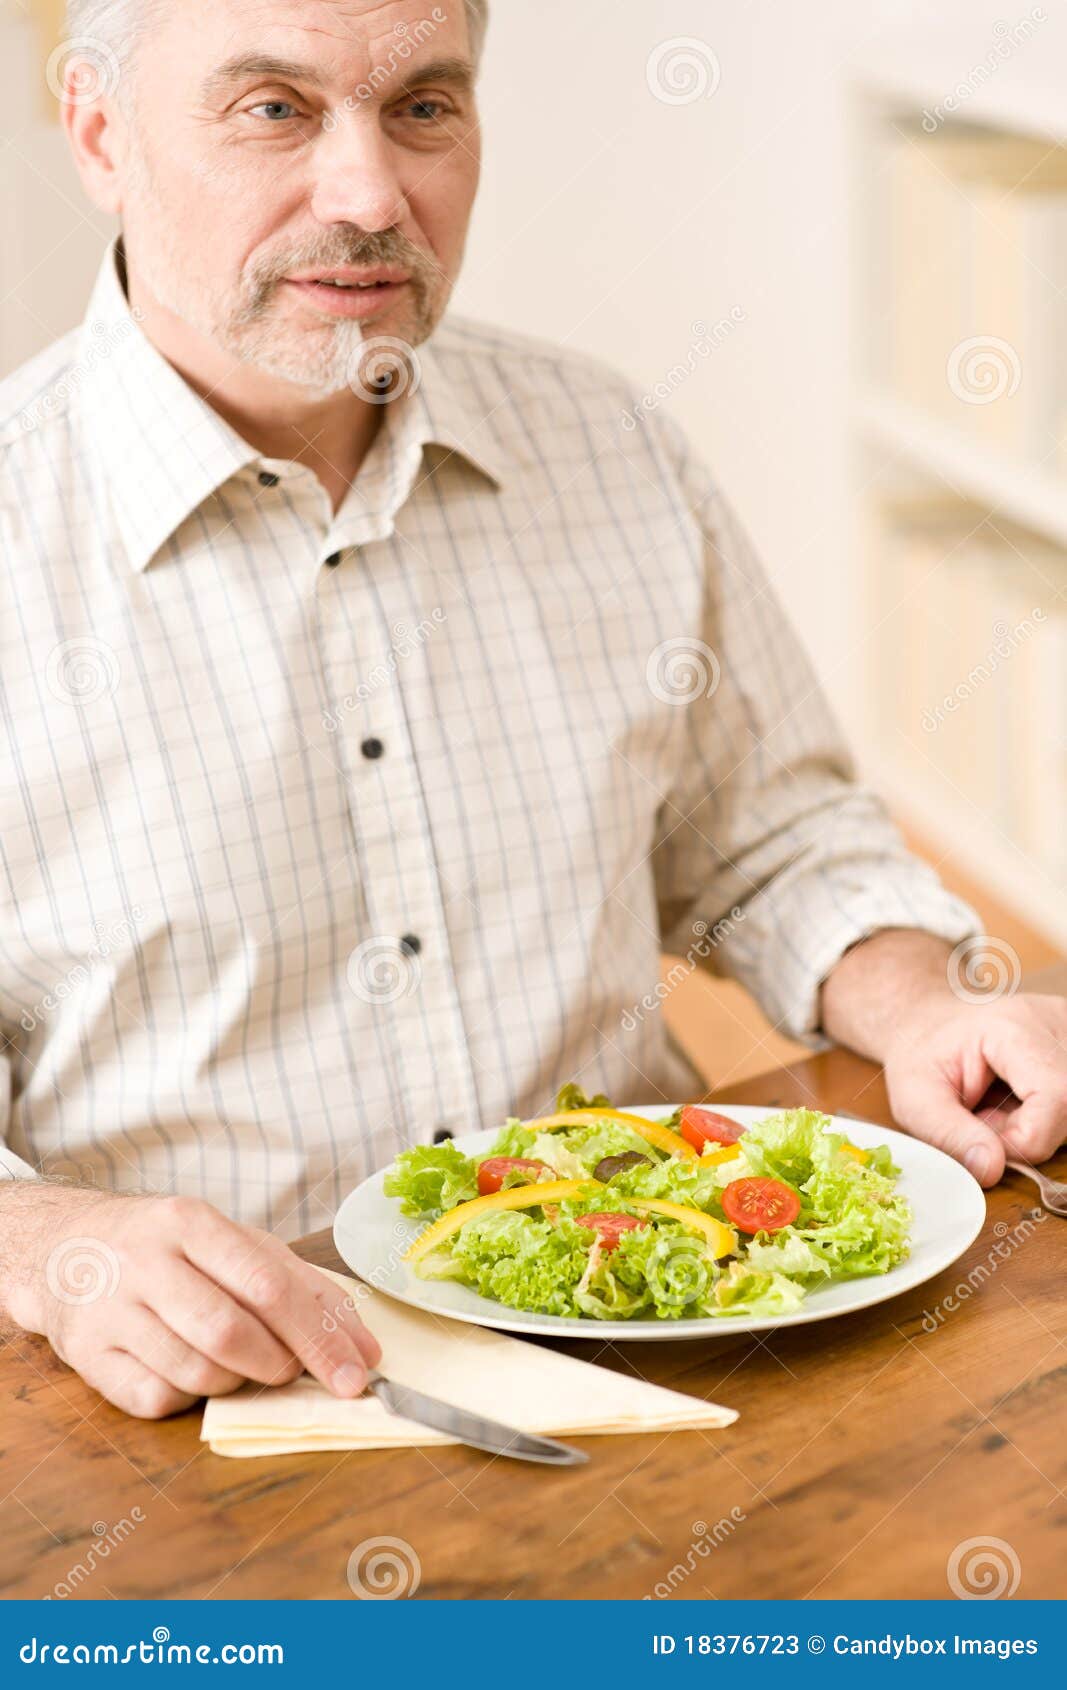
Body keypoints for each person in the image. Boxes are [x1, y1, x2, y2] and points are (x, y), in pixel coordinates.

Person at [0, 0, 1063, 1418]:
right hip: (214, 1426)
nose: (373, 194)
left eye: (426, 107)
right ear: (98, 131)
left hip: (675, 1338)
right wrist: (47, 1245)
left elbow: (773, 843)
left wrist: (922, 995)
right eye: (275, 109)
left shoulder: (615, 445)